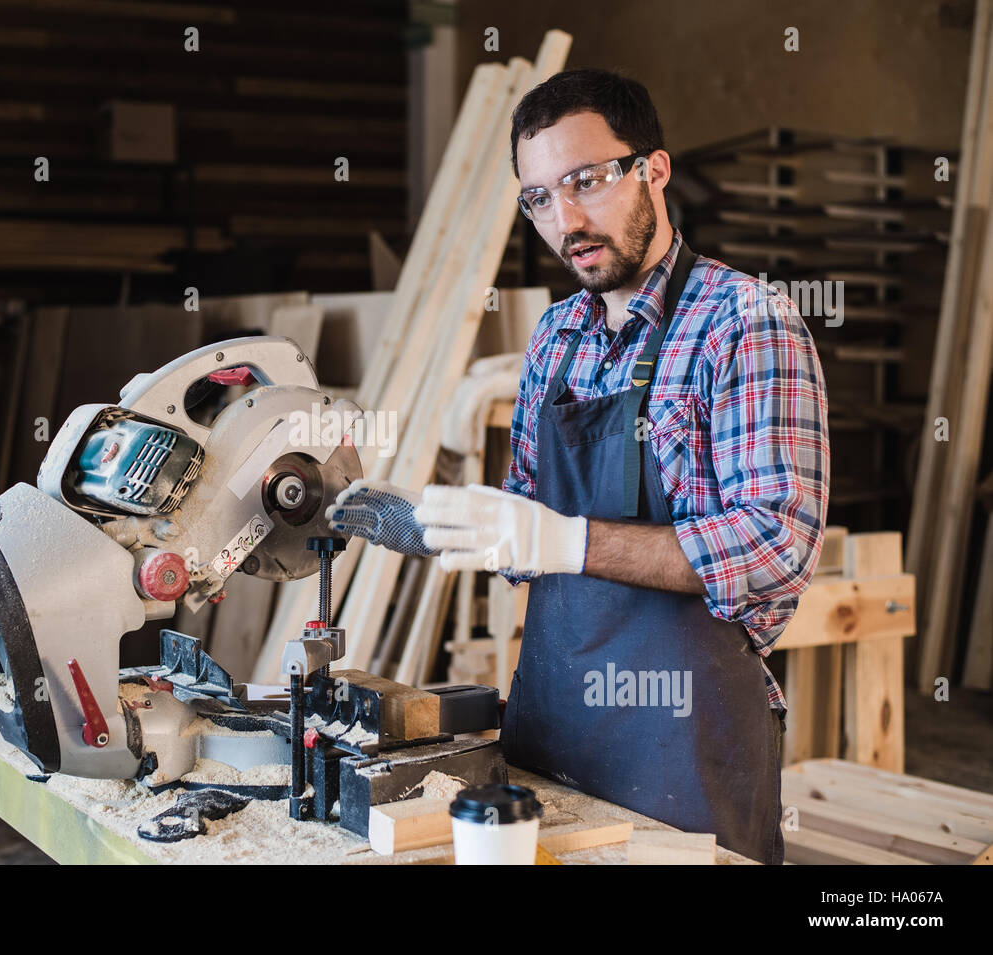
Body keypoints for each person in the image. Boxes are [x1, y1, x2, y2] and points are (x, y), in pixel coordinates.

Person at [326, 68, 829, 865]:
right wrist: (430, 522)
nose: (566, 220)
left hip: (686, 742)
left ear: (653, 170)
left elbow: (774, 545)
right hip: (554, 725)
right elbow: (529, 521)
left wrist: (569, 542)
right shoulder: (556, 336)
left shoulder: (746, 323)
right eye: (538, 199)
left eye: (586, 181)